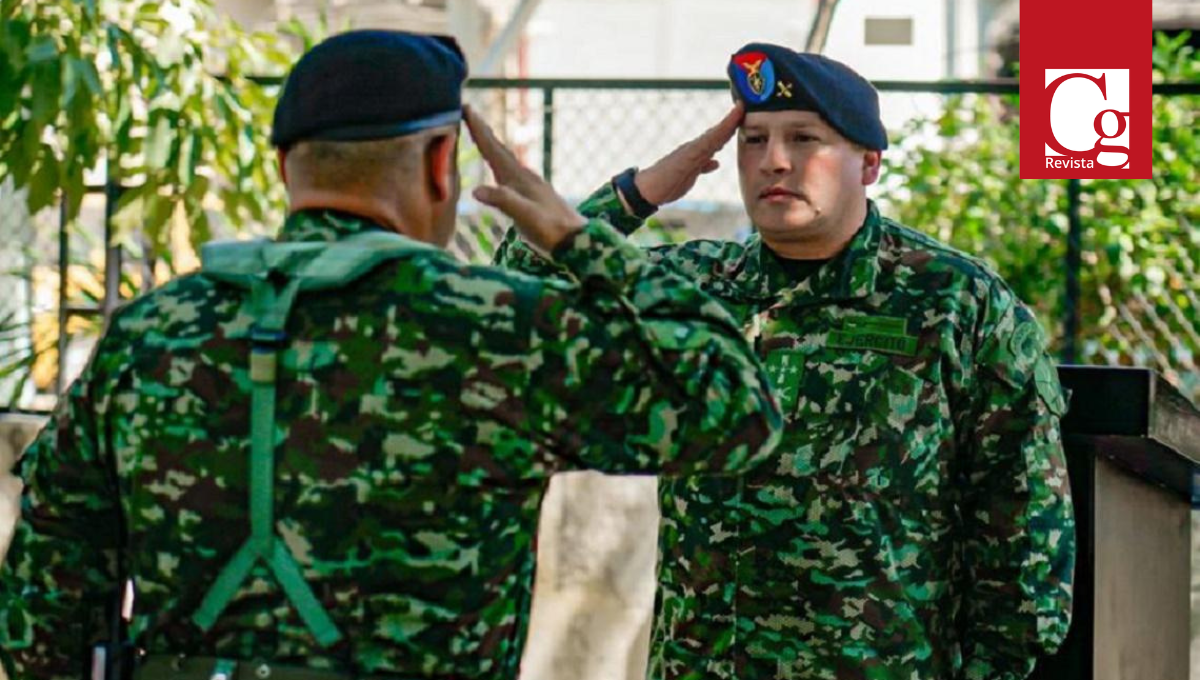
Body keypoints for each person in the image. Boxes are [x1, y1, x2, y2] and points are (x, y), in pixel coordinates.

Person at [0, 31, 783, 680]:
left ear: (285, 168)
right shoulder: (498, 332)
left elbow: (47, 600)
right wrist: (584, 241)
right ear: (443, 165)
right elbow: (739, 410)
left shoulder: (146, 335)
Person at [495, 42, 1075, 680]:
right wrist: (648, 188)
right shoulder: (697, 286)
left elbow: (1023, 538)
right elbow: (517, 297)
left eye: (804, 139)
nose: (774, 161)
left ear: (869, 162)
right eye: (752, 140)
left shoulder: (954, 302)